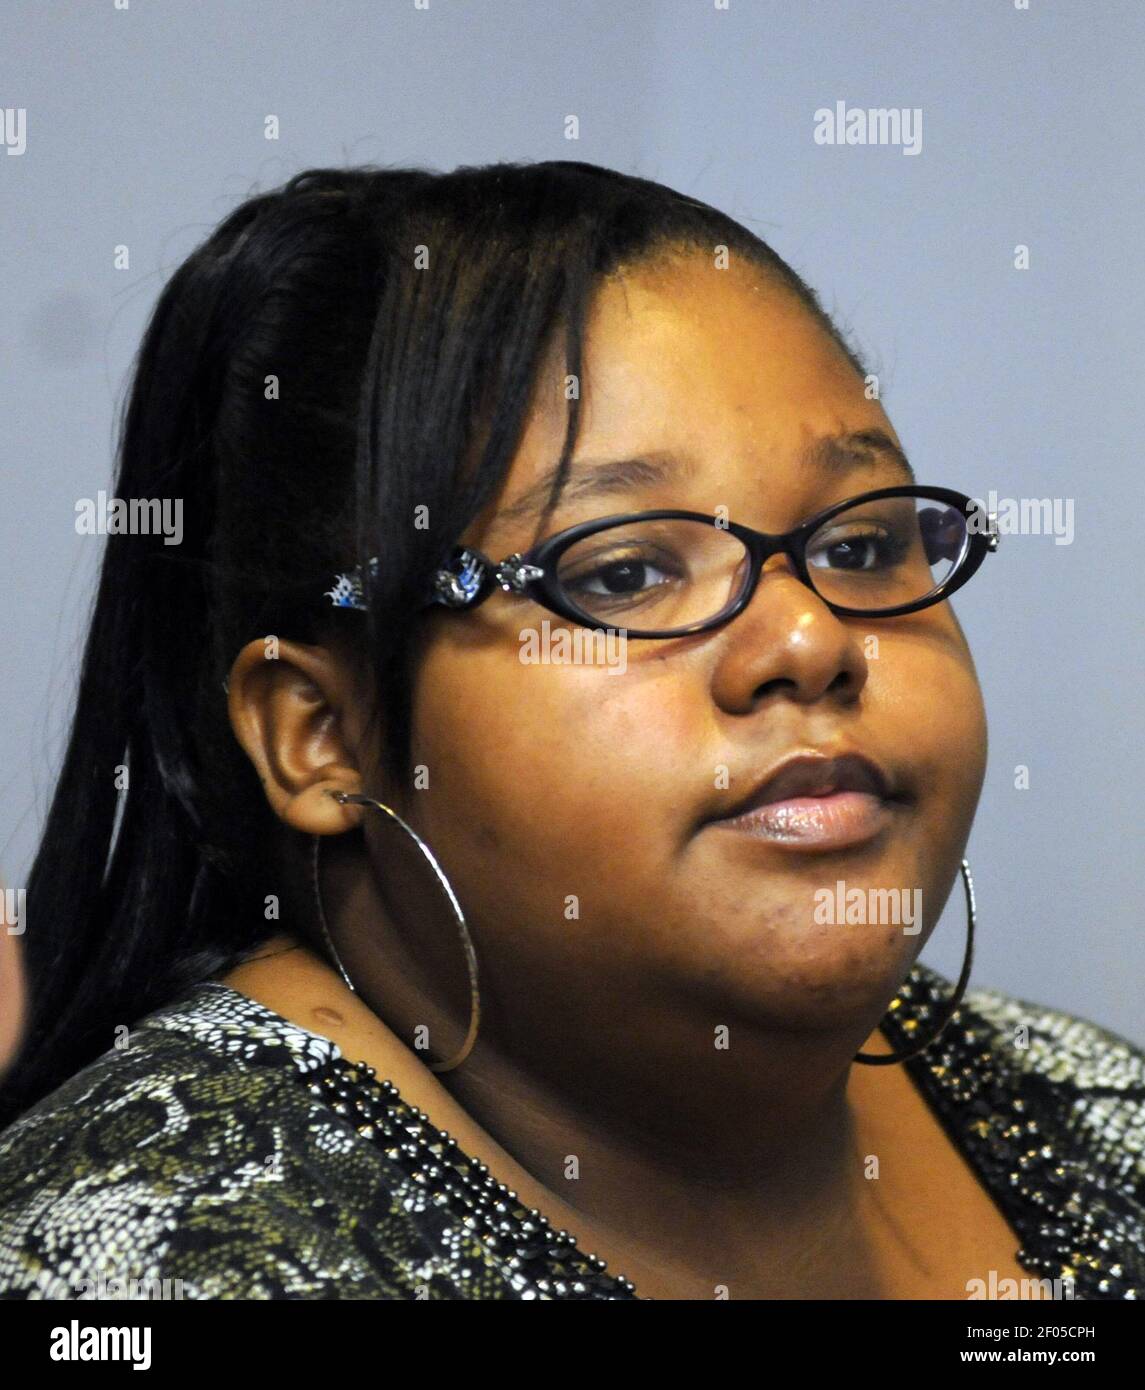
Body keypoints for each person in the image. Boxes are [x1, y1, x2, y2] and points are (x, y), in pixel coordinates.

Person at [0, 160, 1140, 1301]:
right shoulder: (144, 1266)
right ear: (321, 732)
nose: (808, 639)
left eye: (860, 545)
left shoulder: (1094, 1106)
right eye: (626, 571)